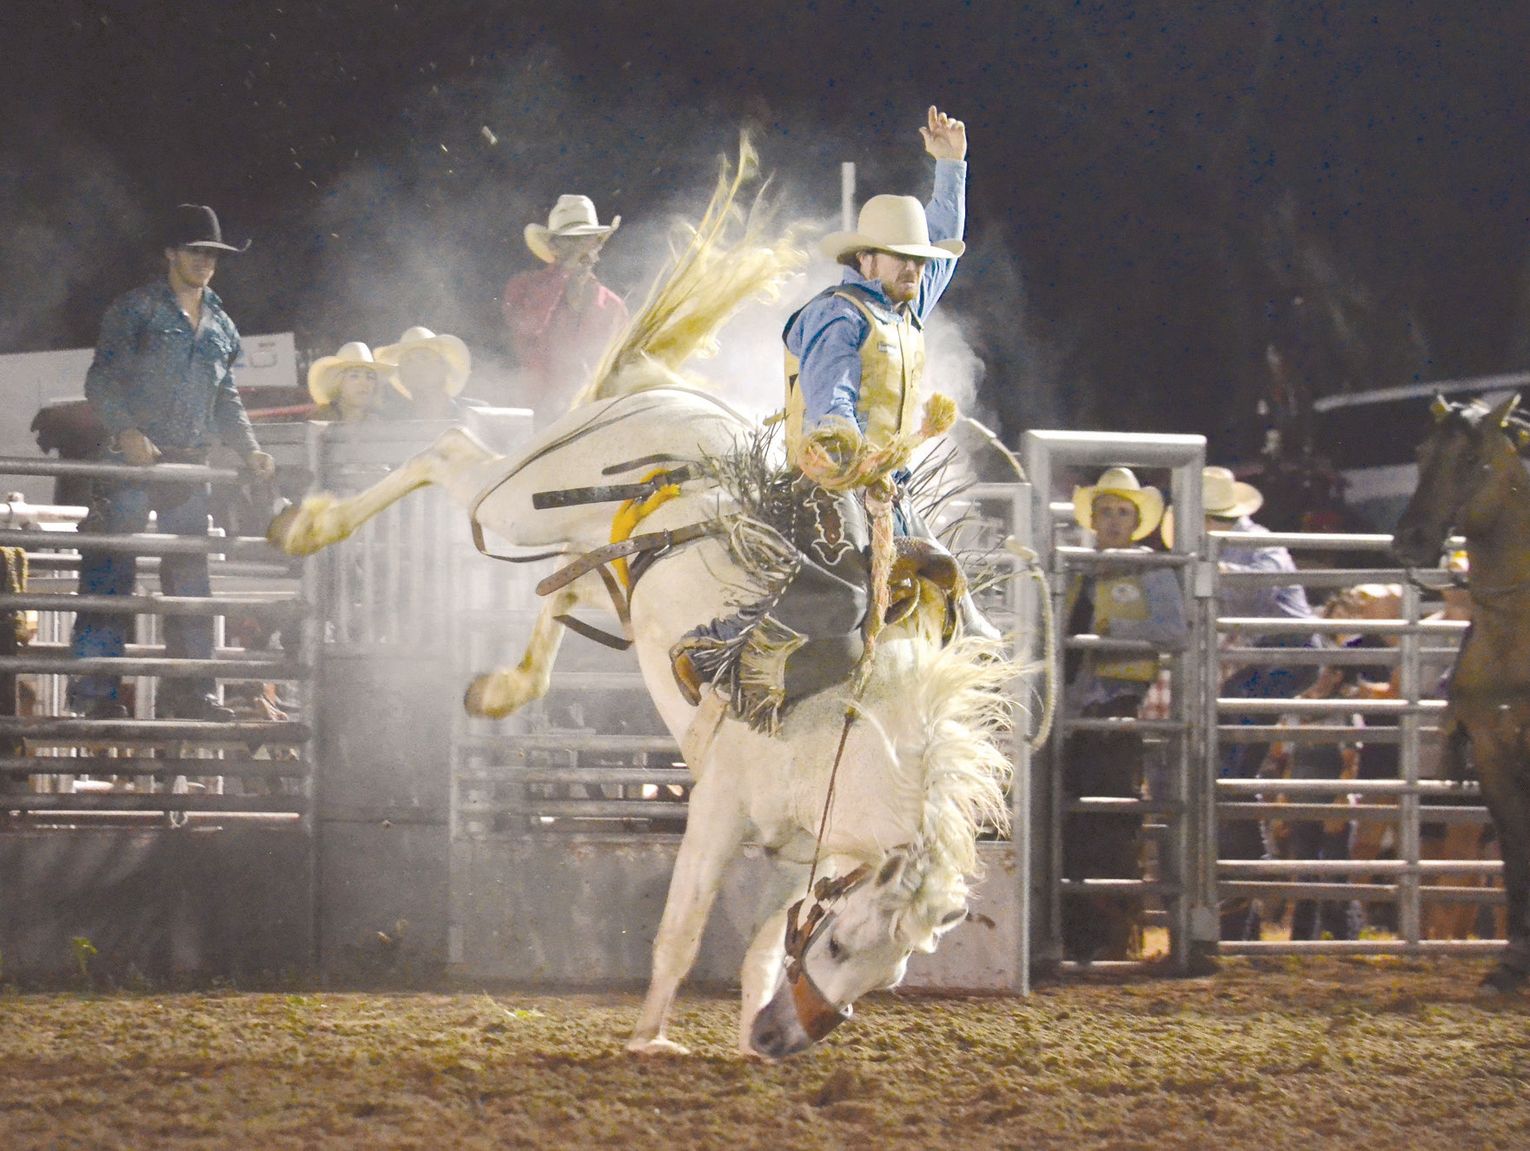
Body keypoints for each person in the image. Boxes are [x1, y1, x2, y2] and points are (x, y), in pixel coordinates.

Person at [669, 105, 977, 712]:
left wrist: (951, 167)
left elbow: (942, 239)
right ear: (866, 260)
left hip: (890, 488)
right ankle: (718, 650)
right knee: (842, 599)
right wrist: (841, 441)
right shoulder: (838, 313)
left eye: (915, 258)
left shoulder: (904, 303)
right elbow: (831, 390)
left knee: (951, 604)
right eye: (899, 256)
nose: (913, 265)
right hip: (829, 481)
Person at [68, 204, 276, 721]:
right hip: (130, 460)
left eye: (211, 253)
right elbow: (102, 380)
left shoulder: (221, 325)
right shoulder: (136, 309)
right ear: (171, 254)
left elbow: (225, 395)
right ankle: (96, 695)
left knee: (188, 577)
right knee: (112, 568)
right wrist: (127, 430)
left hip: (188, 464)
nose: (205, 260)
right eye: (195, 251)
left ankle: (190, 691)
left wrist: (248, 447)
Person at [1170, 465, 1319, 938]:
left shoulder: (1257, 540)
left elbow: (1265, 583)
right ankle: (1247, 888)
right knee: (1227, 764)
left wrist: (1214, 567)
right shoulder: (1235, 542)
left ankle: (1250, 871)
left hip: (1287, 653)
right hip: (1268, 658)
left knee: (1229, 766)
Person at [1061, 467, 1188, 961]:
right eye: (1106, 512)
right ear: (1093, 518)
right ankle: (1078, 933)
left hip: (1118, 713)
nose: (1113, 521)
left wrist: (1104, 631)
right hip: (1073, 715)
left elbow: (1173, 630)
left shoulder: (1150, 569)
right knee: (1075, 825)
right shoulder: (1074, 568)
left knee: (1112, 825)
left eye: (1122, 512)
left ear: (1136, 521)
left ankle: (1114, 937)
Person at [501, 195, 627, 419]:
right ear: (554, 246)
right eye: (569, 240)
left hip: (589, 416)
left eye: (585, 239)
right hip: (531, 414)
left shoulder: (613, 307)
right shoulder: (523, 288)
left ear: (597, 243)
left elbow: (618, 370)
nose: (578, 247)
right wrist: (564, 278)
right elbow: (525, 331)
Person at [374, 326, 472, 421]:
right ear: (401, 376)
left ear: (444, 367)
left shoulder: (475, 417)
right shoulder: (390, 424)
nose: (416, 366)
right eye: (408, 361)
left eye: (424, 358)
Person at [306, 341, 395, 424]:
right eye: (354, 376)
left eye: (370, 377)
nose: (364, 383)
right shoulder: (320, 424)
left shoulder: (380, 425)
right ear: (339, 383)